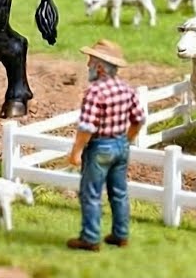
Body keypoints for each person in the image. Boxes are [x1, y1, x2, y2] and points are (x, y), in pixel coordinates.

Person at [67, 38, 145, 251]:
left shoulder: (95, 92)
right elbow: (138, 119)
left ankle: (90, 238)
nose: (87, 66)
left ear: (100, 67)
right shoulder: (127, 89)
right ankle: (121, 234)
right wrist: (126, 139)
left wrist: (76, 151)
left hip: (100, 147)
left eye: (90, 61)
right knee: (119, 192)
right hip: (120, 144)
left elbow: (87, 127)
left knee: (91, 193)